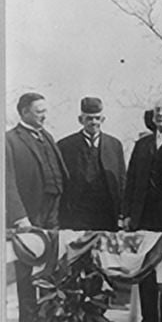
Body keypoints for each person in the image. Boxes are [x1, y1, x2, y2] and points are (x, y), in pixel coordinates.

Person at [5, 92, 69, 322]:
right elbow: (7, 182)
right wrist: (20, 218)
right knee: (27, 272)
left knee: (52, 271)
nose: (44, 115)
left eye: (45, 110)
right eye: (38, 111)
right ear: (23, 113)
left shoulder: (48, 137)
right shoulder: (9, 140)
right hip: (28, 218)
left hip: (53, 217)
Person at [123, 97, 162, 322]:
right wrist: (127, 214)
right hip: (144, 216)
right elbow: (131, 180)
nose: (160, 114)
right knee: (146, 271)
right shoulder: (142, 144)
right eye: (157, 110)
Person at [57, 97, 126, 231]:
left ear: (103, 119)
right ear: (80, 120)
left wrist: (122, 212)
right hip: (76, 215)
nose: (93, 122)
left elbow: (121, 180)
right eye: (89, 118)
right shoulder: (65, 146)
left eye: (97, 118)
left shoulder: (114, 145)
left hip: (106, 214)